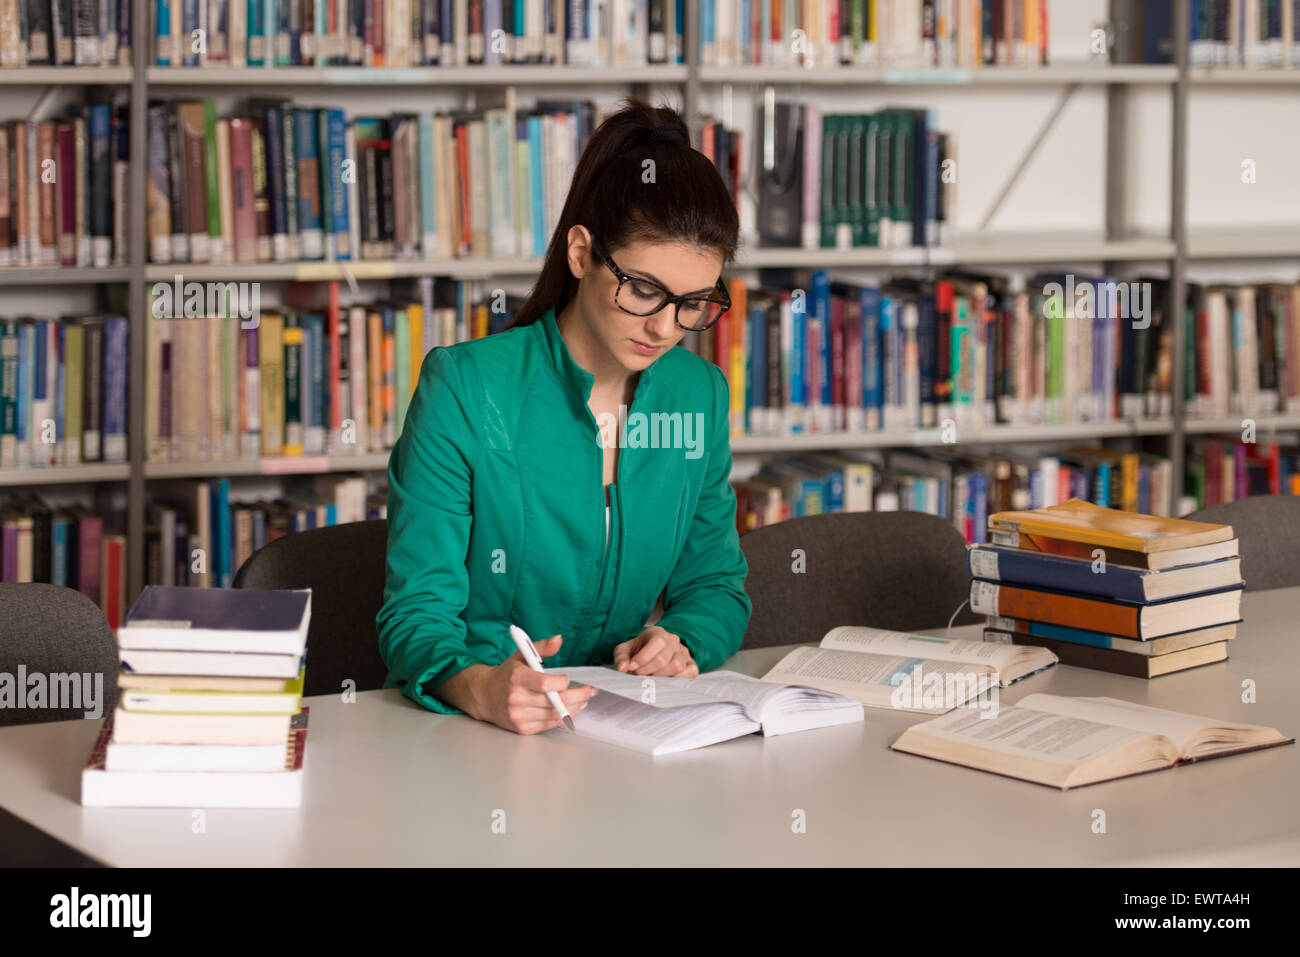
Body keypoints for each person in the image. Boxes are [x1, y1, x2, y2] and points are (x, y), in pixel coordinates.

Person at [376, 97, 752, 734]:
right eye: (644, 290)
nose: (666, 328)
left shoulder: (700, 395)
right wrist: (476, 685)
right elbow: (416, 613)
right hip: (470, 735)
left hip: (628, 728)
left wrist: (681, 639)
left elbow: (716, 583)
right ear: (581, 253)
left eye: (694, 303)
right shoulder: (467, 388)